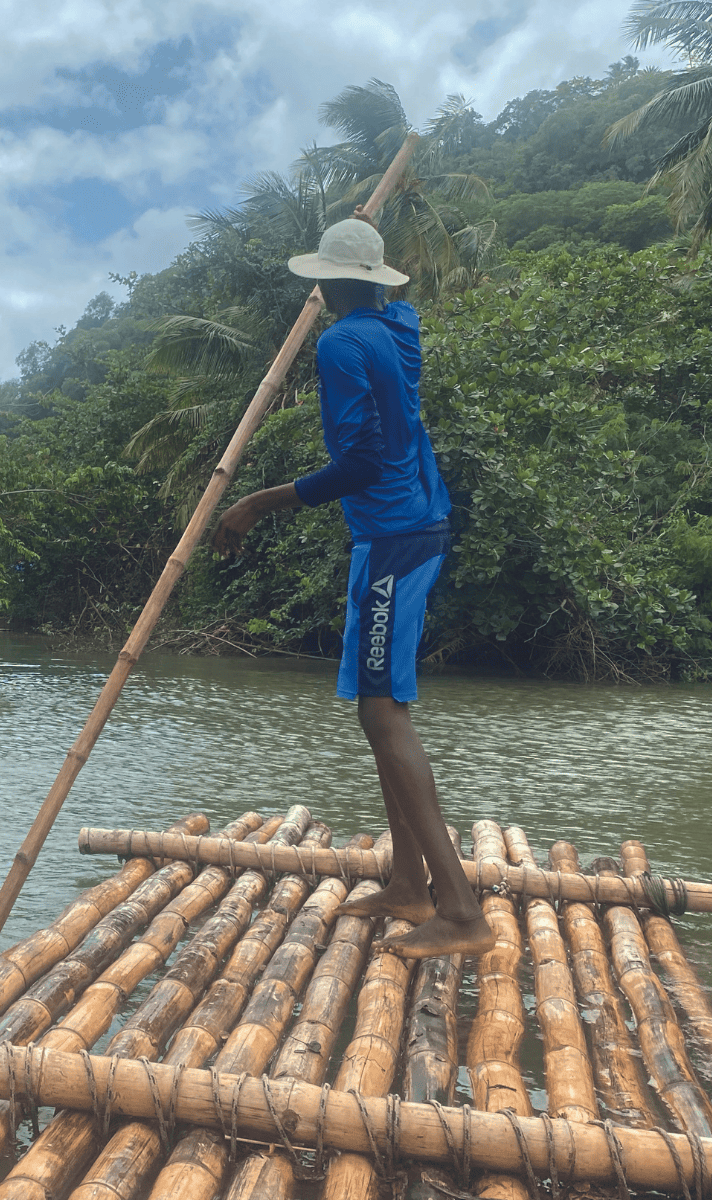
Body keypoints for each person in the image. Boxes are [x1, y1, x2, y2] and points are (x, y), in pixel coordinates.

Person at [211, 211, 495, 960]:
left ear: (328, 283)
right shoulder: (401, 328)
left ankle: (461, 912)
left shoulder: (341, 343)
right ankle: (408, 883)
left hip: (394, 535)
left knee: (382, 714)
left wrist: (255, 504)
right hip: (413, 526)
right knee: (381, 707)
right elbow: (387, 308)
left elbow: (361, 464)